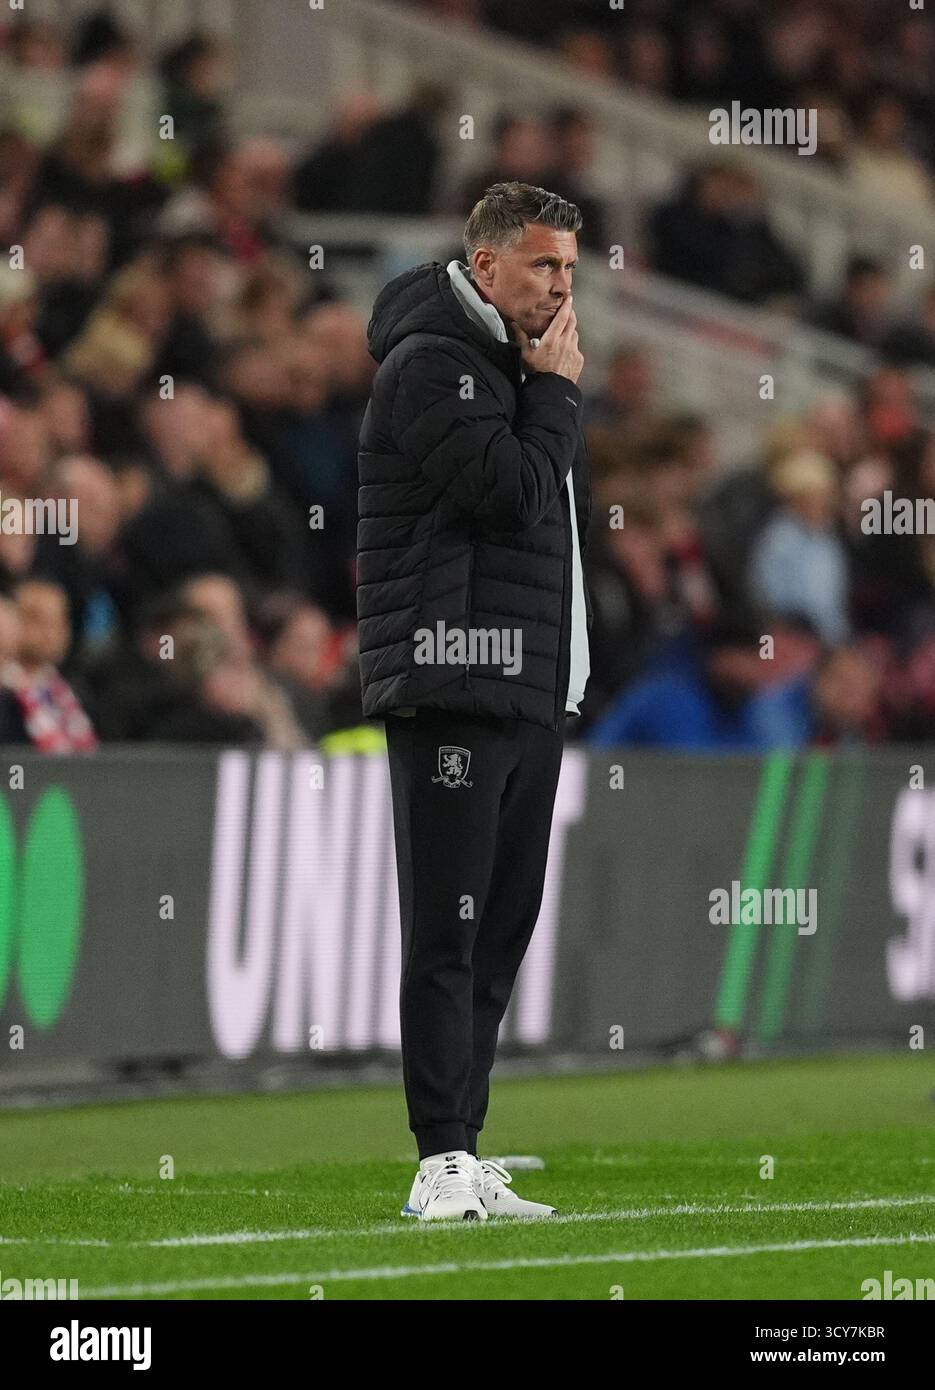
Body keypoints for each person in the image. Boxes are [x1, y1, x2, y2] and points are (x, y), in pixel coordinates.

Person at [357, 181, 591, 1220]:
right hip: (453, 678)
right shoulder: (430, 366)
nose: (560, 287)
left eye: (570, 270)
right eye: (544, 266)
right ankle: (436, 1156)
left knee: (496, 928)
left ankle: (467, 1143)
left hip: (522, 690)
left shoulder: (507, 365)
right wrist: (556, 396)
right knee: (446, 931)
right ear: (486, 266)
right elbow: (509, 493)